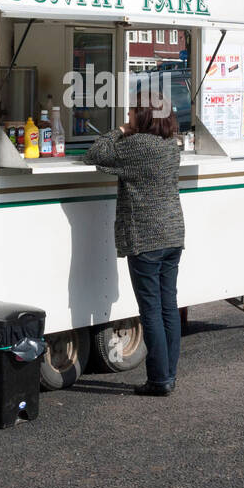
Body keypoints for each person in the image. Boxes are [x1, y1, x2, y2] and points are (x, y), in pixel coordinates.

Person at [83, 91, 184, 396]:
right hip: (172, 233)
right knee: (168, 307)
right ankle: (169, 375)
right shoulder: (170, 146)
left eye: (130, 113)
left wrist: (120, 132)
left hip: (145, 236)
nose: (127, 118)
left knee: (150, 310)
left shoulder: (135, 145)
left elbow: (94, 154)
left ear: (142, 116)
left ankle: (159, 380)